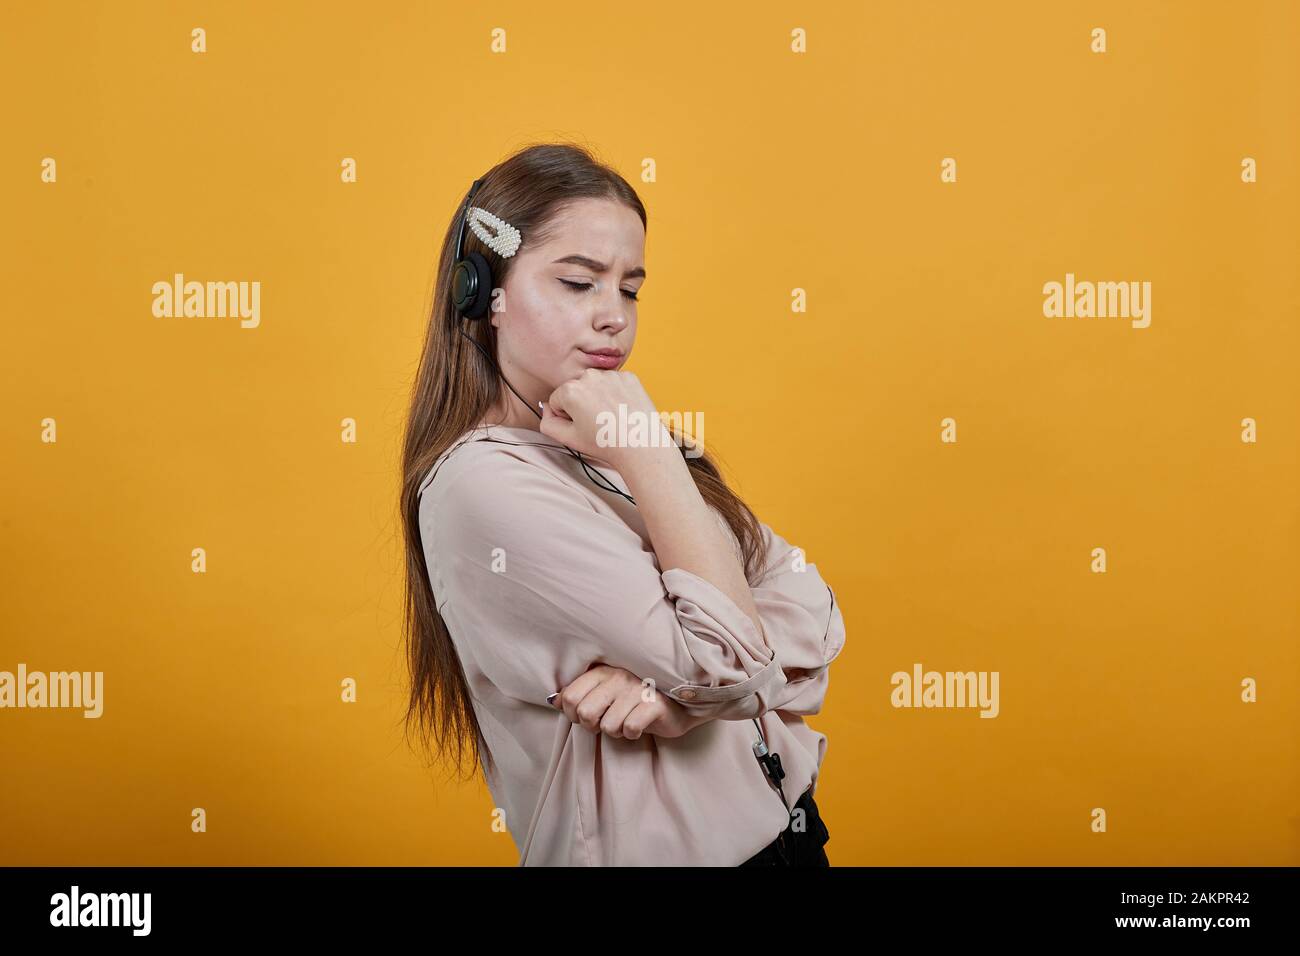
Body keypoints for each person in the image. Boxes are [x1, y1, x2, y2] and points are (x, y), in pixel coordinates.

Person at [399, 142, 846, 866]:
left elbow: (807, 599)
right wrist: (646, 453)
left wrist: (678, 697)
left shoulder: (609, 443)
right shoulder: (483, 487)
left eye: (630, 289)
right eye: (579, 283)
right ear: (481, 296)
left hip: (789, 833)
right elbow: (737, 664)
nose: (615, 316)